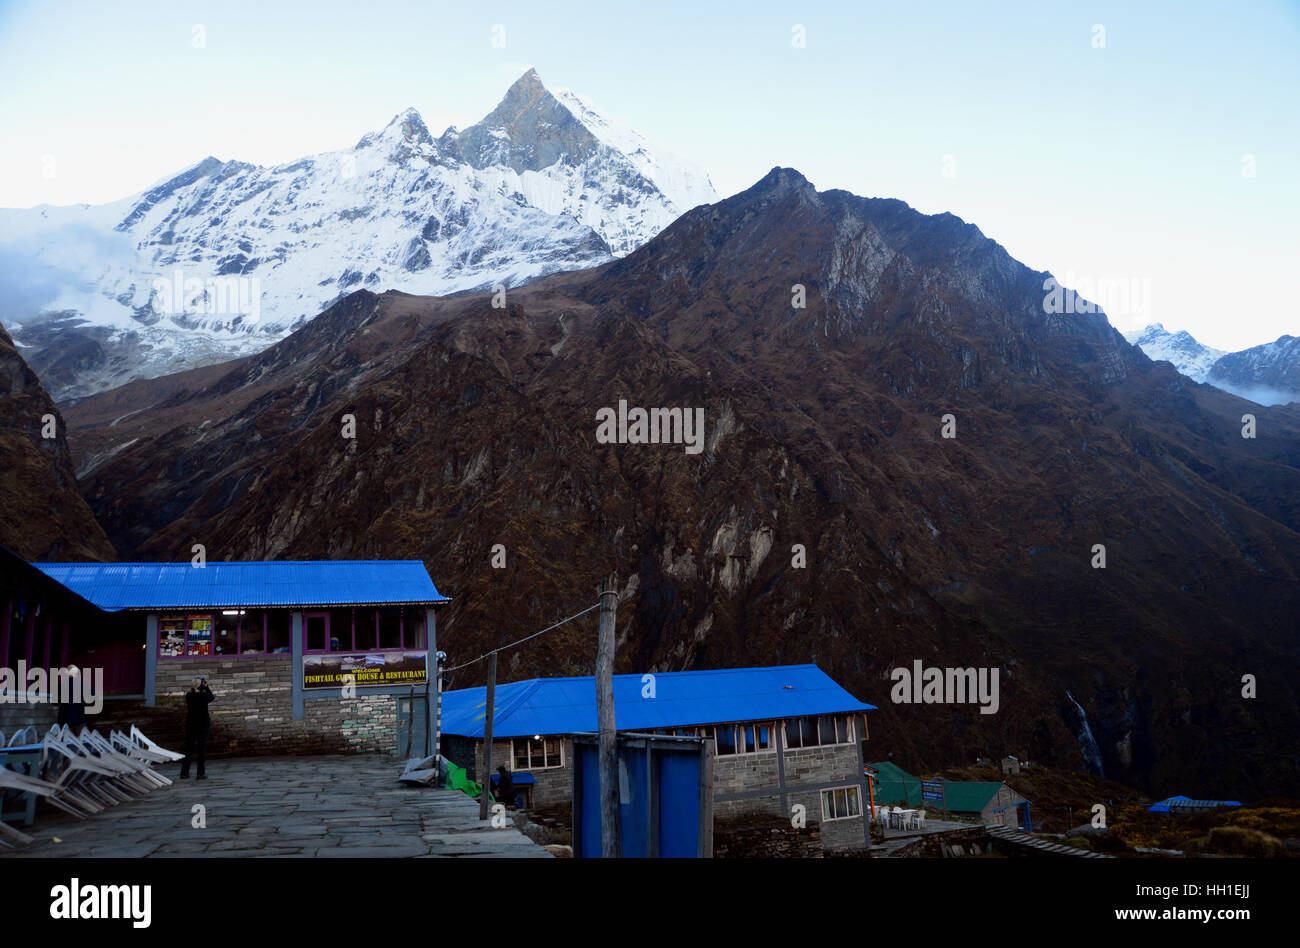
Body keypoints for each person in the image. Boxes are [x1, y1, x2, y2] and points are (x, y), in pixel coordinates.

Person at [179, 677, 215, 779]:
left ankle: (184, 772)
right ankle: (200, 773)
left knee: (189, 749)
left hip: (190, 724)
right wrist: (207, 687)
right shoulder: (203, 696)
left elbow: (193, 692)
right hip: (202, 724)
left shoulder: (189, 695)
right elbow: (212, 697)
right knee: (201, 749)